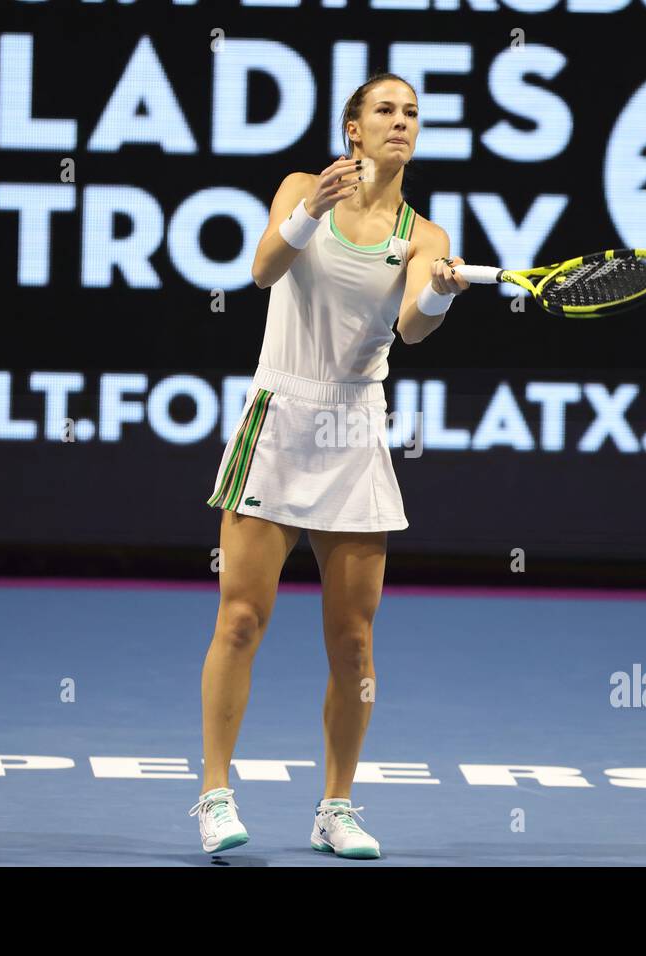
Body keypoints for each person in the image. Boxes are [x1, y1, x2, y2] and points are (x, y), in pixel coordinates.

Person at [187, 72, 470, 859]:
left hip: (355, 433)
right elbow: (263, 268)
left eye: (412, 113)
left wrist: (441, 293)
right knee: (240, 620)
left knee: (353, 644)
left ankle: (335, 808)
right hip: (278, 418)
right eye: (385, 109)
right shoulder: (299, 187)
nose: (400, 122)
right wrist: (312, 209)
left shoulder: (425, 235)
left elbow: (411, 329)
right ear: (352, 128)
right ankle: (214, 794)